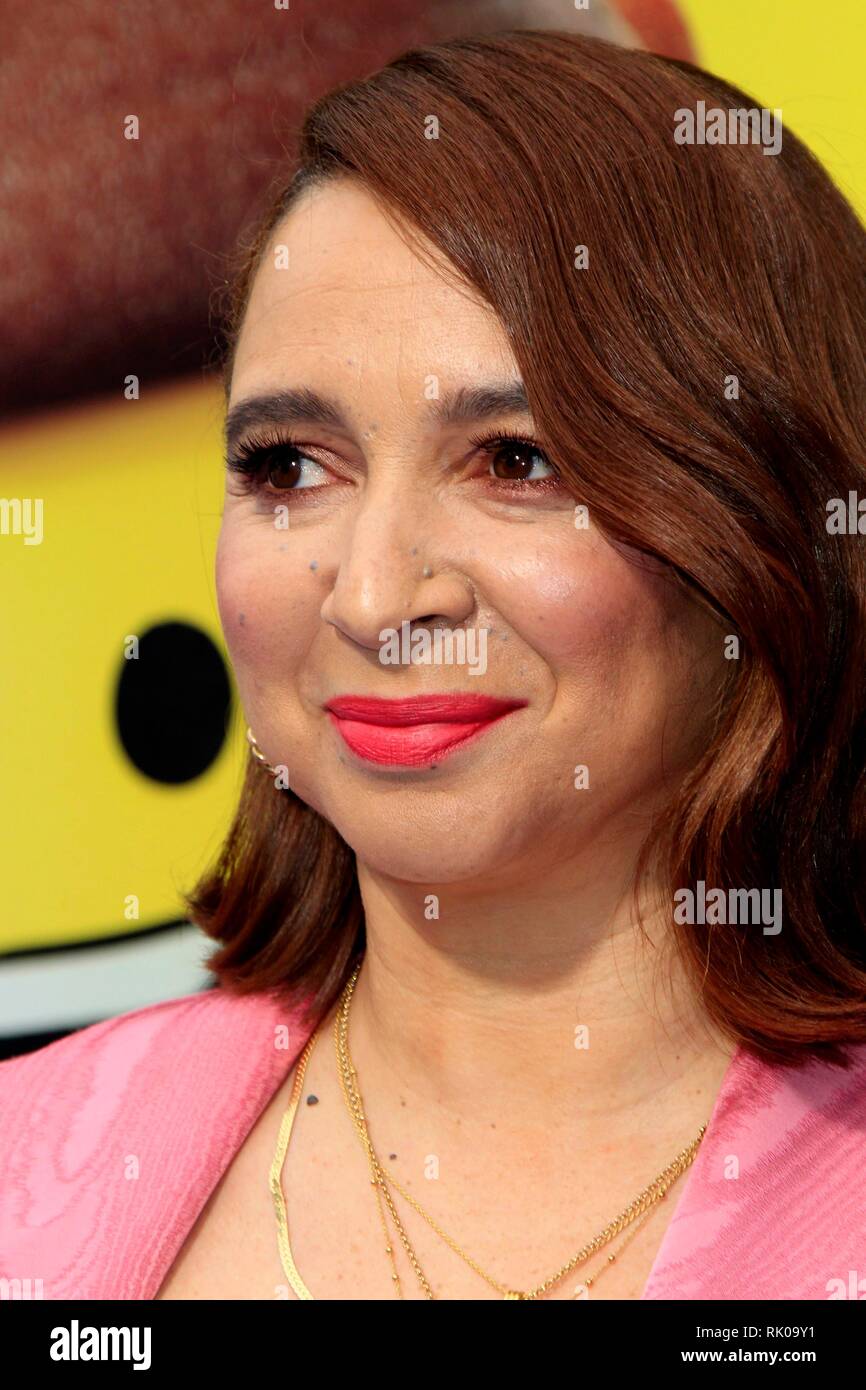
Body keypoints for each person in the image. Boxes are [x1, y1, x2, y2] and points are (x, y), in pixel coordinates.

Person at [2, 29, 866, 1302]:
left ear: (763, 515)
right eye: (289, 466)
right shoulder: (34, 1153)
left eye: (516, 459)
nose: (370, 596)